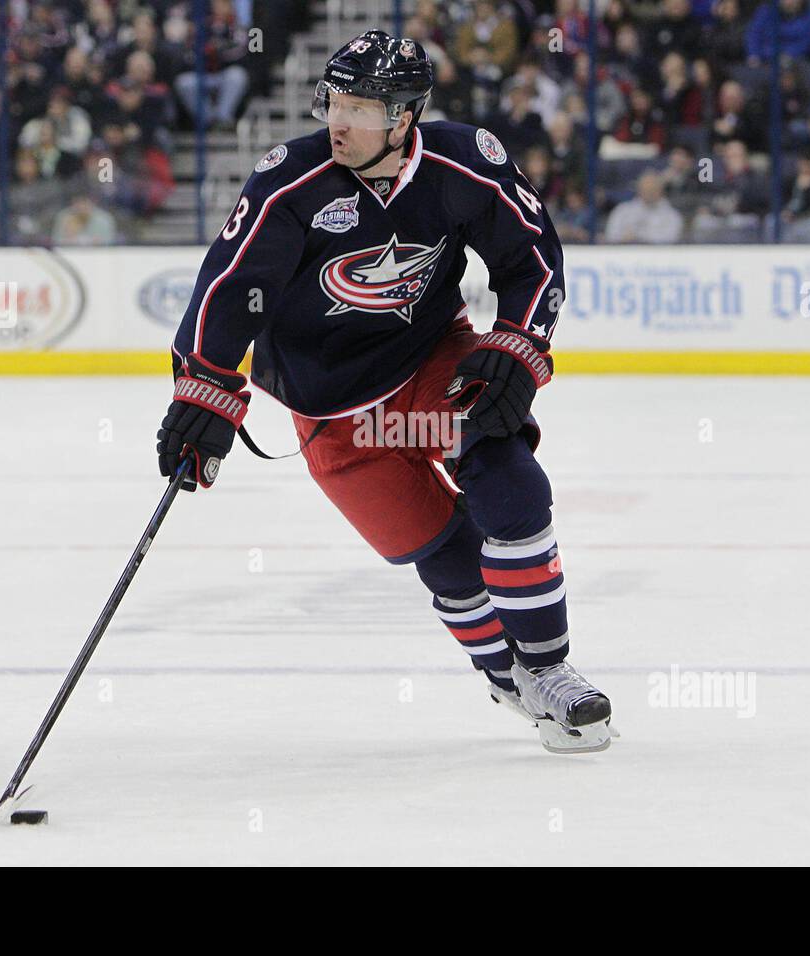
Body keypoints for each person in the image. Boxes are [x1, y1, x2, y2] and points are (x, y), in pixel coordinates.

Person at [156, 31, 613, 753]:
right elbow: (230, 287)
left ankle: (552, 671)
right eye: (334, 100)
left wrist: (520, 345)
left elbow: (532, 258)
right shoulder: (290, 182)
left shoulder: (466, 161)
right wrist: (204, 390)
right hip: (331, 412)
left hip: (431, 363)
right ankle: (507, 676)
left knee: (509, 479)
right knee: (443, 551)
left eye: (362, 108)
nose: (339, 121)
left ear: (405, 118)